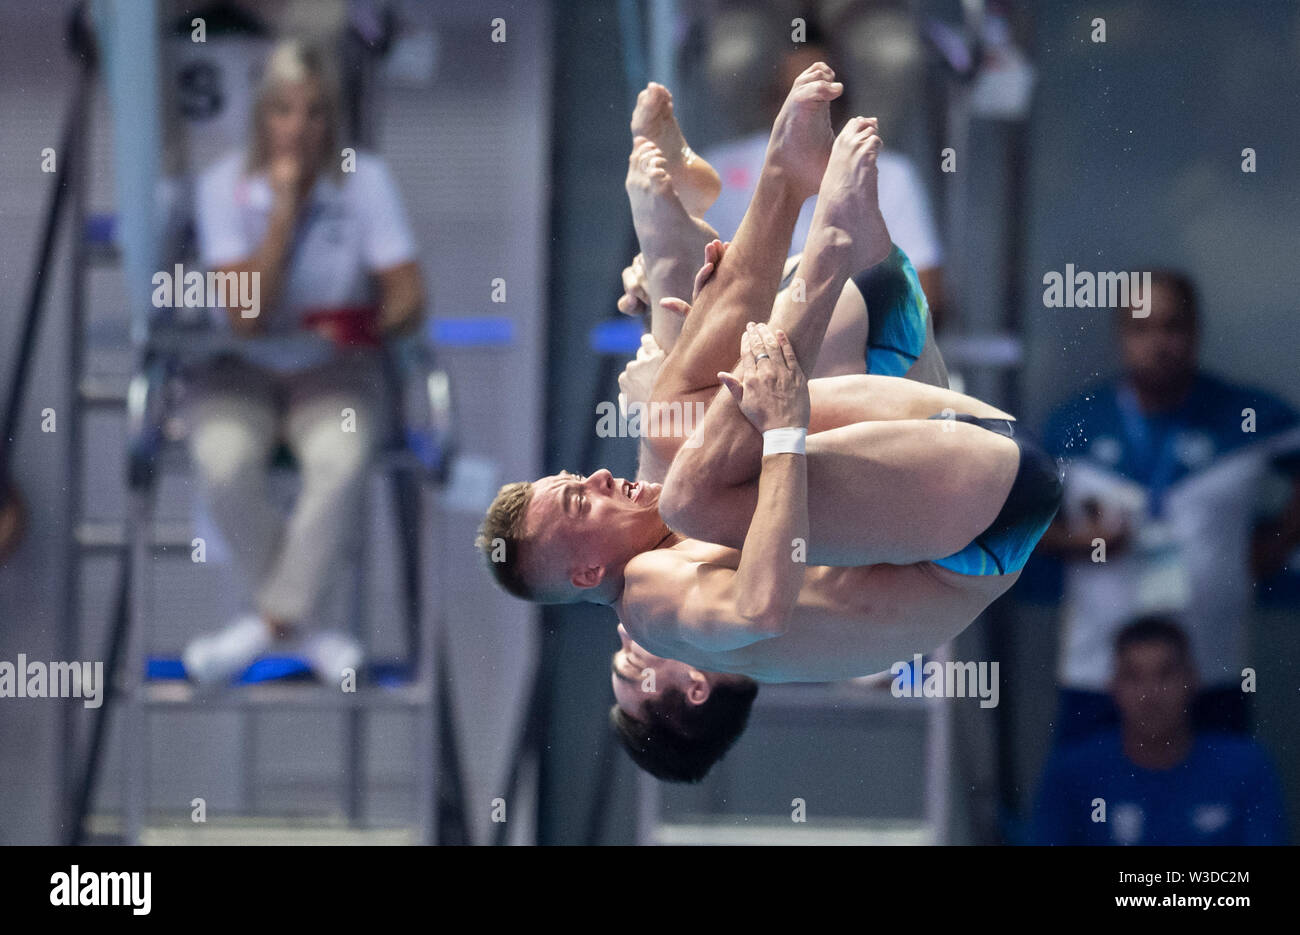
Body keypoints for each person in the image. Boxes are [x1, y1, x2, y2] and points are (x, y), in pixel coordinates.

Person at [478, 65, 1061, 780]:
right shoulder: (662, 607)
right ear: (694, 685)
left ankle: (748, 215)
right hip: (978, 514)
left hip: (897, 353)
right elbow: (759, 606)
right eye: (631, 667)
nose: (623, 643)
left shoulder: (667, 560)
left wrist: (676, 310)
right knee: (690, 477)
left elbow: (689, 419)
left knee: (671, 431)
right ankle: (798, 226)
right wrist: (781, 426)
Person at [181, 40, 425, 687]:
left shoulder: (364, 181)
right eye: (285, 110)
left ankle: (263, 625)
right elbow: (245, 315)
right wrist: (285, 213)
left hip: (332, 370)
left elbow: (407, 291)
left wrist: (382, 315)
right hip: (238, 369)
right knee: (221, 460)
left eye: (315, 112)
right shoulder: (221, 188)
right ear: (262, 118)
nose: (300, 127)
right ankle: (301, 628)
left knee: (340, 457)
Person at [1037, 272, 1300, 740]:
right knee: (1087, 799)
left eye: (1173, 327)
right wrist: (1077, 543)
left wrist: (1277, 544)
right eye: (1141, 329)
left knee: (1215, 800)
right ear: (1120, 336)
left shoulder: (1246, 418)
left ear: (1197, 331)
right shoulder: (1074, 424)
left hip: (1211, 669)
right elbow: (1011, 517)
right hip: (1098, 674)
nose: (1159, 343)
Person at [702, 42, 945, 323]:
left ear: (843, 105)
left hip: (851, 343)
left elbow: (925, 301)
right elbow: (699, 290)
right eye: (791, 100)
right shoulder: (722, 171)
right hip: (746, 339)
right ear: (771, 104)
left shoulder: (888, 174)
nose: (806, 115)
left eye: (822, 102)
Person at [1032, 616, 1288, 845]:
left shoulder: (1246, 767)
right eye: (1134, 677)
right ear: (1113, 687)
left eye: (1165, 675)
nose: (1150, 694)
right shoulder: (1072, 773)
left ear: (1192, 680)